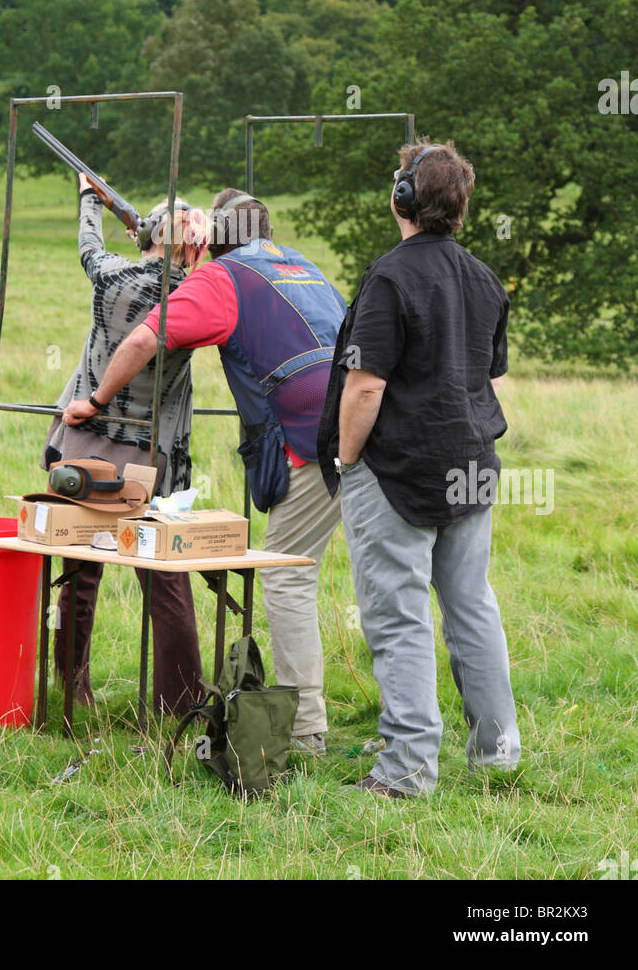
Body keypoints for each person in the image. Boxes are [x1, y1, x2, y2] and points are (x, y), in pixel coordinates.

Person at [63, 189, 347, 754]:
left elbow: (144, 332)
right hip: (359, 429)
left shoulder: (215, 279)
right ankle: (184, 705)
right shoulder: (303, 266)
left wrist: (94, 402)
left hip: (306, 439)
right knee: (389, 587)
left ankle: (306, 732)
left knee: (287, 576)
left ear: (215, 237)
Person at [318, 140, 520, 797]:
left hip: (398, 469)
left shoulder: (390, 276)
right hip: (470, 464)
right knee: (472, 608)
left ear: (402, 199)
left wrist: (347, 461)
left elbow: (366, 385)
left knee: (398, 616)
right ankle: (498, 755)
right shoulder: (485, 278)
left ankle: (405, 771)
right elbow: (485, 372)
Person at [40, 173, 207, 715]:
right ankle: (179, 706)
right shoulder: (195, 295)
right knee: (165, 581)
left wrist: (91, 198)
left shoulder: (111, 276)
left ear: (146, 234)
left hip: (84, 444)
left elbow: (90, 247)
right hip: (148, 459)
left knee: (78, 572)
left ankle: (72, 688)